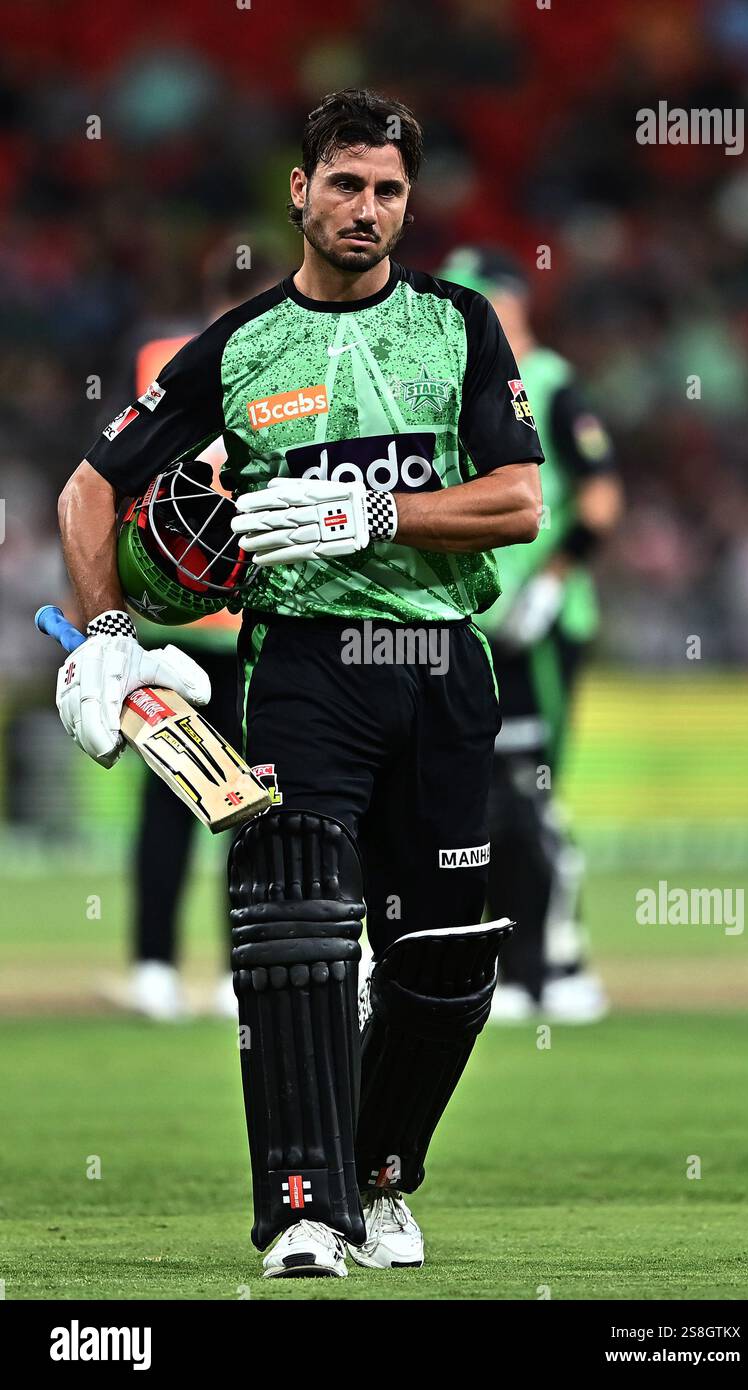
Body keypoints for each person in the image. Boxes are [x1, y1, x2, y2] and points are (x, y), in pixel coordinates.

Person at [54, 89, 544, 1278]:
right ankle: (300, 1212)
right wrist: (103, 634)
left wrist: (374, 511)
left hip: (437, 660)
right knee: (293, 934)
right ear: (300, 190)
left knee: (449, 957)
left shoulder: (460, 325)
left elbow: (518, 501)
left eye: (386, 191)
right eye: (345, 184)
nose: (365, 208)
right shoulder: (238, 345)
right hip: (304, 664)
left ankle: (378, 1176)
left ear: (406, 204)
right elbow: (87, 492)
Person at [438, 247, 623, 1023]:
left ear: (511, 303)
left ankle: (557, 962)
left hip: (541, 633)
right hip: (474, 629)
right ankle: (505, 964)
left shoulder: (548, 381)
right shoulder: (455, 385)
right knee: (476, 799)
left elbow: (601, 497)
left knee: (536, 794)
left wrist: (550, 586)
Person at [109, 244, 280, 1022]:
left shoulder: (163, 357)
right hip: (247, 623)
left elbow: (119, 483)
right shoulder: (287, 366)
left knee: (177, 802)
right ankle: (232, 967)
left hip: (173, 619)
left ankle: (154, 965)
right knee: (248, 804)